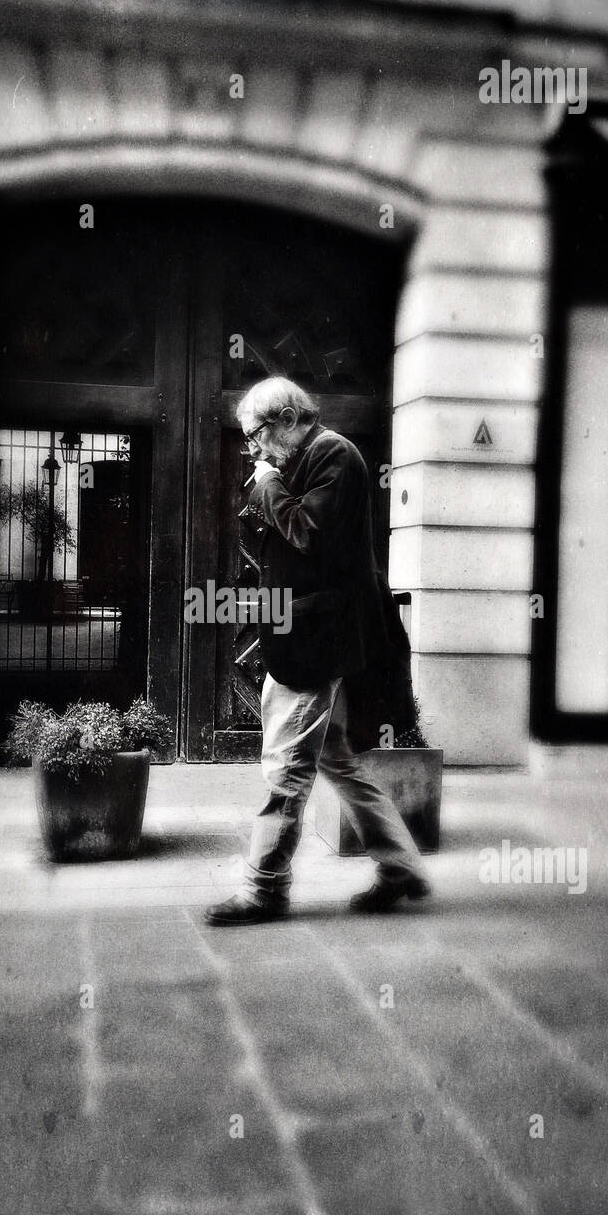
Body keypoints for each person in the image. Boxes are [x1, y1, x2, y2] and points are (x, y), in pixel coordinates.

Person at [205, 377, 432, 926]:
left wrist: (265, 486)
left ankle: (263, 889)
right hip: (300, 637)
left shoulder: (335, 454)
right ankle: (401, 867)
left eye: (256, 434)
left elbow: (308, 533)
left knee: (285, 766)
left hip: (316, 643)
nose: (254, 447)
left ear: (287, 418)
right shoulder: (299, 462)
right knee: (341, 764)